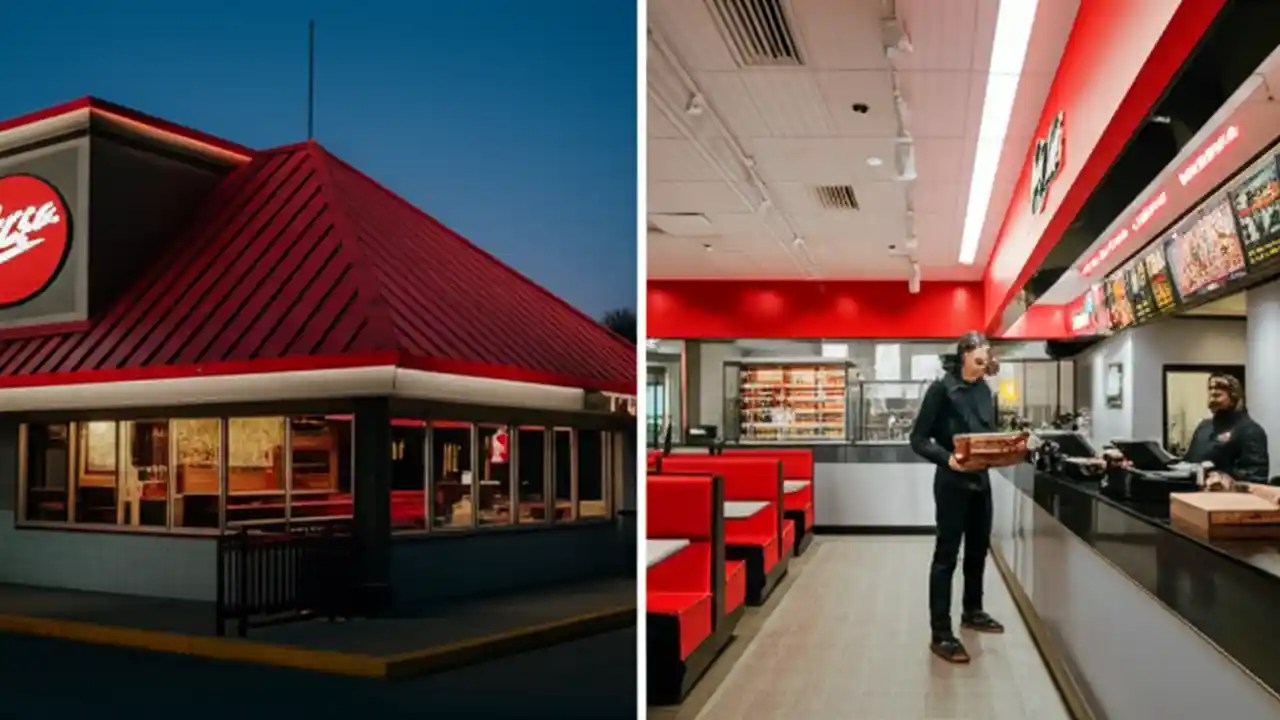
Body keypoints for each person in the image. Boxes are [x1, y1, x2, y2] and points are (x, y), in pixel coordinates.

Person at [909, 332, 1005, 664]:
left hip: (982, 481)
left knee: (978, 550)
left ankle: (973, 610)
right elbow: (918, 439)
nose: (982, 368)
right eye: (978, 362)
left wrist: (1008, 446)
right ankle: (941, 633)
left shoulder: (983, 390)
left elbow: (988, 433)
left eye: (986, 362)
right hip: (951, 483)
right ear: (964, 355)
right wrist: (945, 457)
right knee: (946, 557)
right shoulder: (941, 390)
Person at [1184, 373, 1270, 488]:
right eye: (1211, 388)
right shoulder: (1203, 427)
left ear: (1235, 395)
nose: (1214, 392)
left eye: (1221, 387)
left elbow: (1256, 477)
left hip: (1228, 501)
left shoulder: (1250, 430)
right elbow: (1188, 463)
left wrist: (1224, 478)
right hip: (1192, 496)